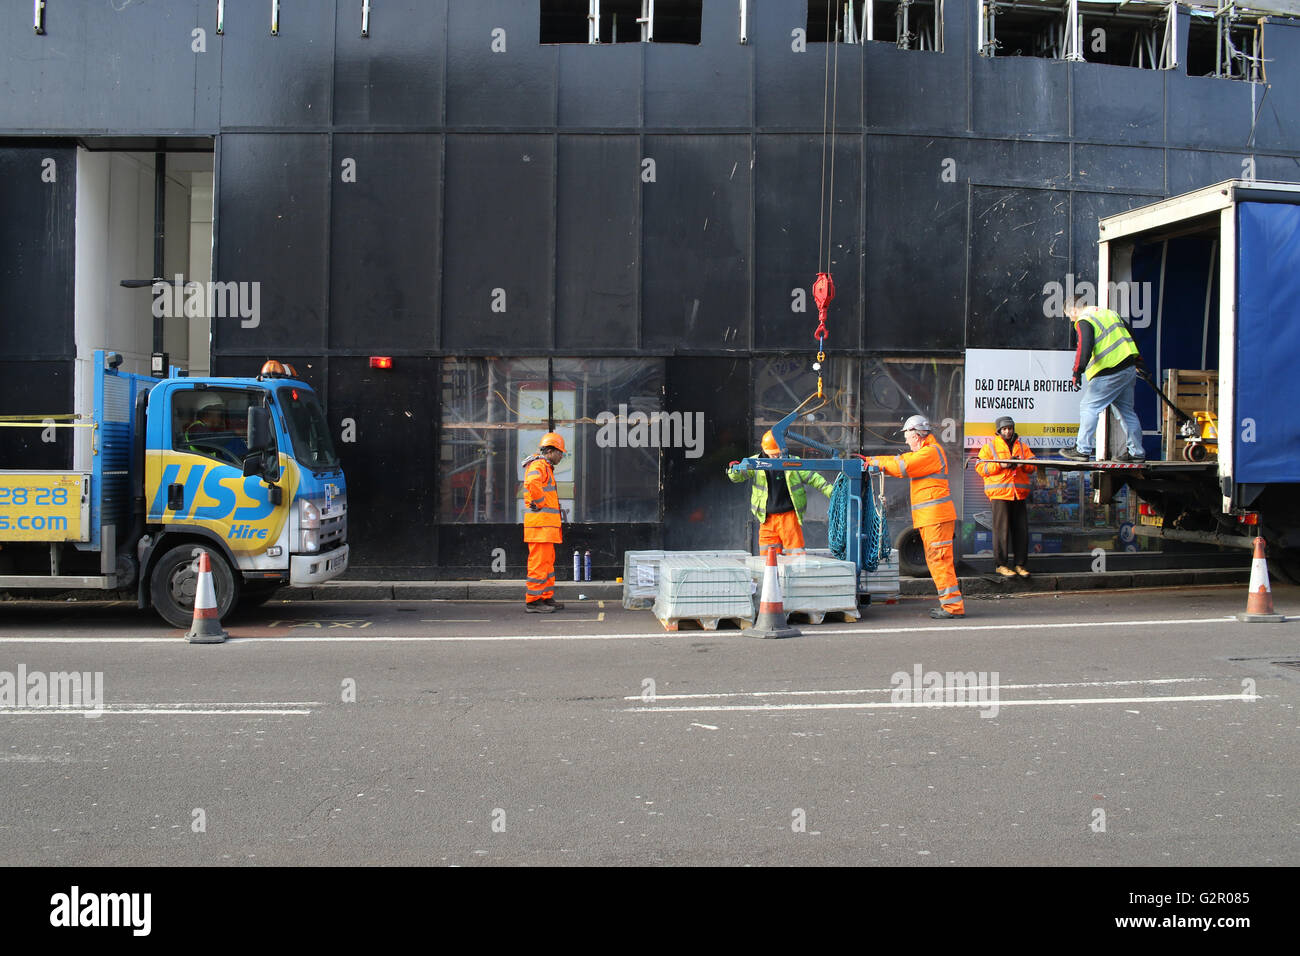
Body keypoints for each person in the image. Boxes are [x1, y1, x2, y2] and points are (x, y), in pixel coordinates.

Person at [864, 415, 965, 619]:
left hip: (935, 518)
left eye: (907, 435)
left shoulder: (930, 453)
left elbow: (903, 466)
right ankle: (950, 605)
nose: (906, 440)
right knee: (938, 560)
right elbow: (904, 465)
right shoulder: (929, 453)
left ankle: (953, 607)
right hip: (932, 518)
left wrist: (872, 461)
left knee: (940, 560)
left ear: (917, 435)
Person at [1061, 295, 1146, 462]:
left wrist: (1077, 371)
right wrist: (1138, 361)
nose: (1071, 320)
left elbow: (1085, 346)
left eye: (1069, 316)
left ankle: (1082, 449)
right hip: (1127, 369)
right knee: (1126, 412)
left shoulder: (1084, 320)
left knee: (1089, 406)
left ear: (1073, 309)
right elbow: (1131, 335)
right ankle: (1137, 453)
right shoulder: (1110, 313)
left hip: (1110, 371)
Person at [727, 430, 832, 554]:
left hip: (789, 517)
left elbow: (815, 479)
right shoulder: (755, 462)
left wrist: (834, 493)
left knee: (795, 556)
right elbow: (737, 477)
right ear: (764, 450)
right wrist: (734, 470)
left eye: (777, 453)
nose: (775, 457)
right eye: (772, 454)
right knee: (768, 558)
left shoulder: (793, 462)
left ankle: (794, 573)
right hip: (767, 519)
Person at [976, 415, 1037, 578]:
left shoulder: (1022, 447)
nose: (1008, 431)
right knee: (1001, 531)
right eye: (1004, 429)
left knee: (1021, 531)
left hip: (1019, 494)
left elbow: (1033, 466)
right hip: (999, 494)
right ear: (999, 431)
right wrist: (1001, 464)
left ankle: (1020, 565)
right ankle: (1001, 565)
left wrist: (1022, 464)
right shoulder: (990, 447)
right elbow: (980, 467)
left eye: (1010, 428)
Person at [522, 432, 566, 613]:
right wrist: (539, 503)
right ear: (550, 450)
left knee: (546, 563)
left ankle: (545, 597)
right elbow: (532, 482)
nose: (561, 456)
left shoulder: (545, 467)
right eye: (560, 452)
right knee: (539, 563)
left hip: (546, 527)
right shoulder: (539, 465)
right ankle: (533, 601)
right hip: (540, 526)